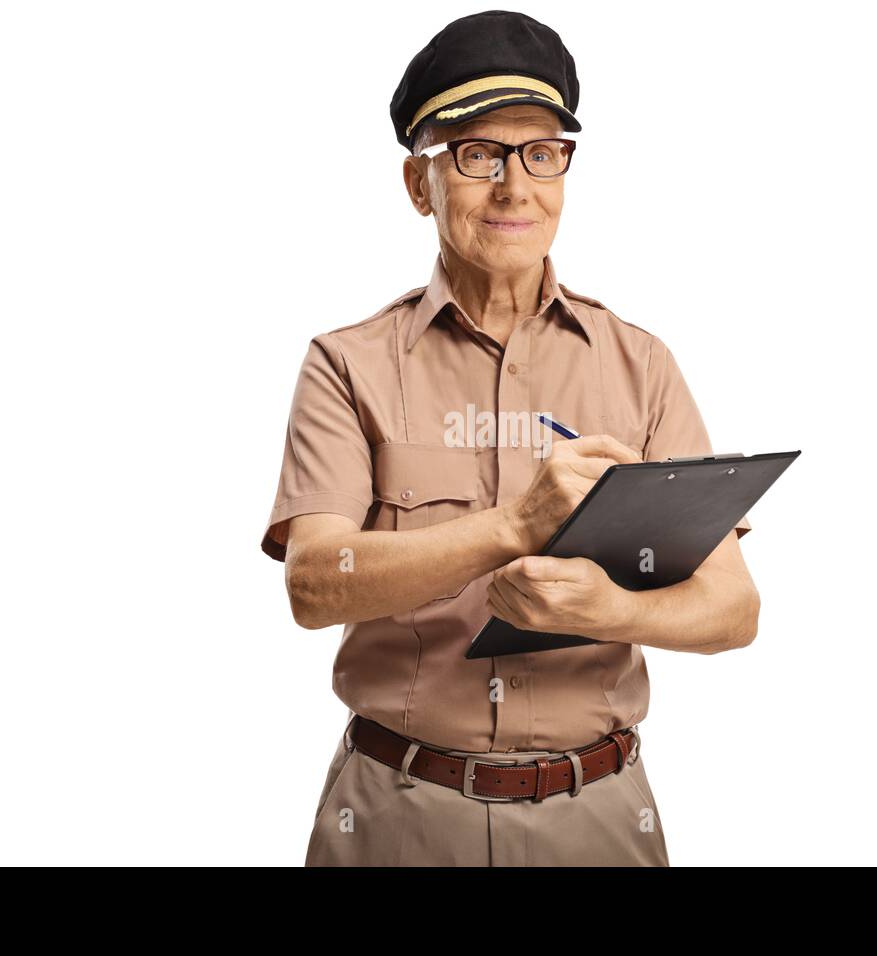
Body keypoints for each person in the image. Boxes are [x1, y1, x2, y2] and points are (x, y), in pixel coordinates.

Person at [260, 10, 759, 866]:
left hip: (598, 816)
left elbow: (734, 609)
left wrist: (612, 610)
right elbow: (313, 584)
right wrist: (512, 527)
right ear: (421, 184)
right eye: (478, 154)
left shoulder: (642, 366)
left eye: (541, 152)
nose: (514, 186)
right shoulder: (347, 366)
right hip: (398, 815)